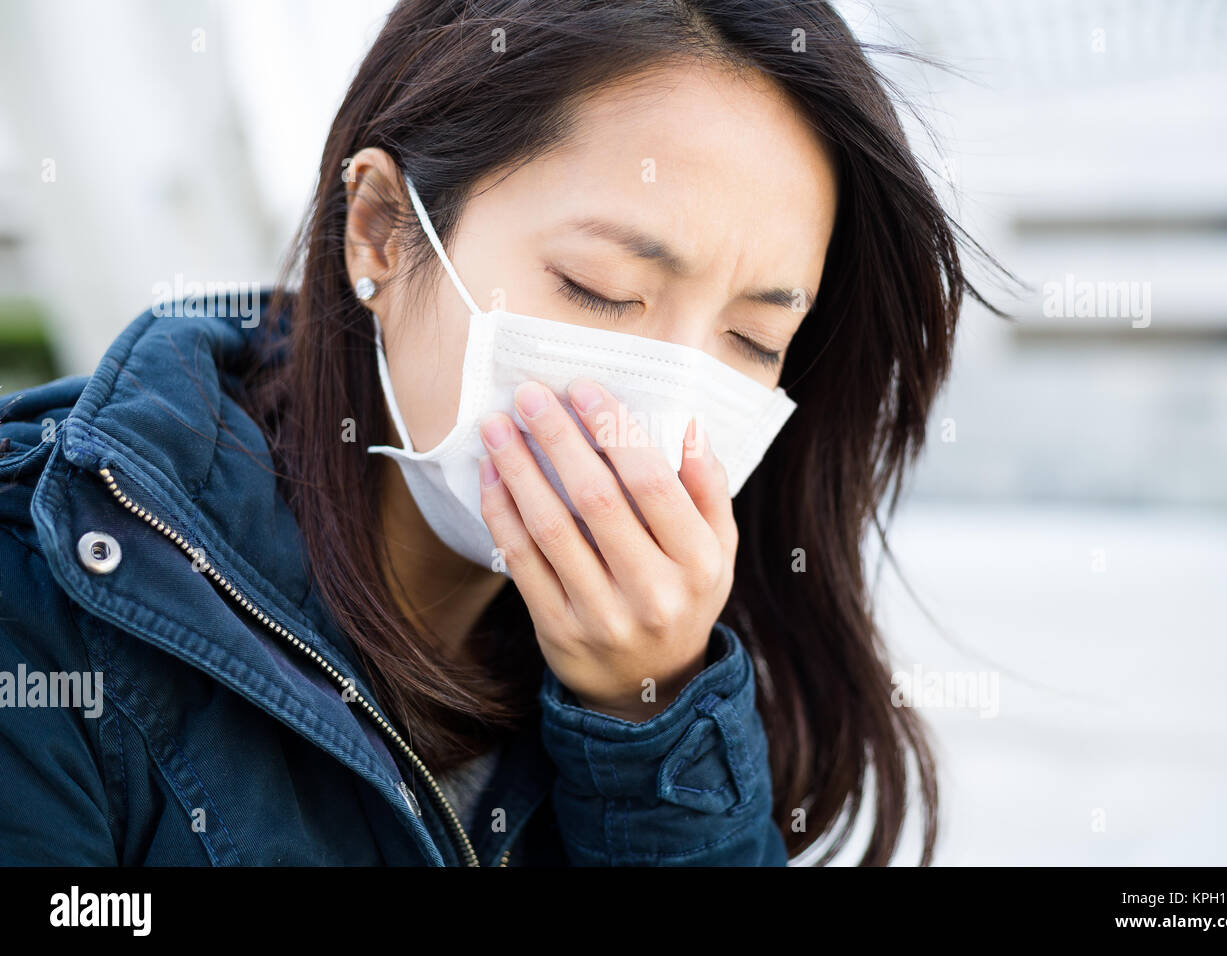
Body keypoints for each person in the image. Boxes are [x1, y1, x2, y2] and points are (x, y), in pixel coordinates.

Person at [0, 0, 990, 866]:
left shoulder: (717, 681)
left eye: (752, 336)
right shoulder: (42, 608)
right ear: (382, 231)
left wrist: (648, 721)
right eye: (604, 291)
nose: (670, 411)